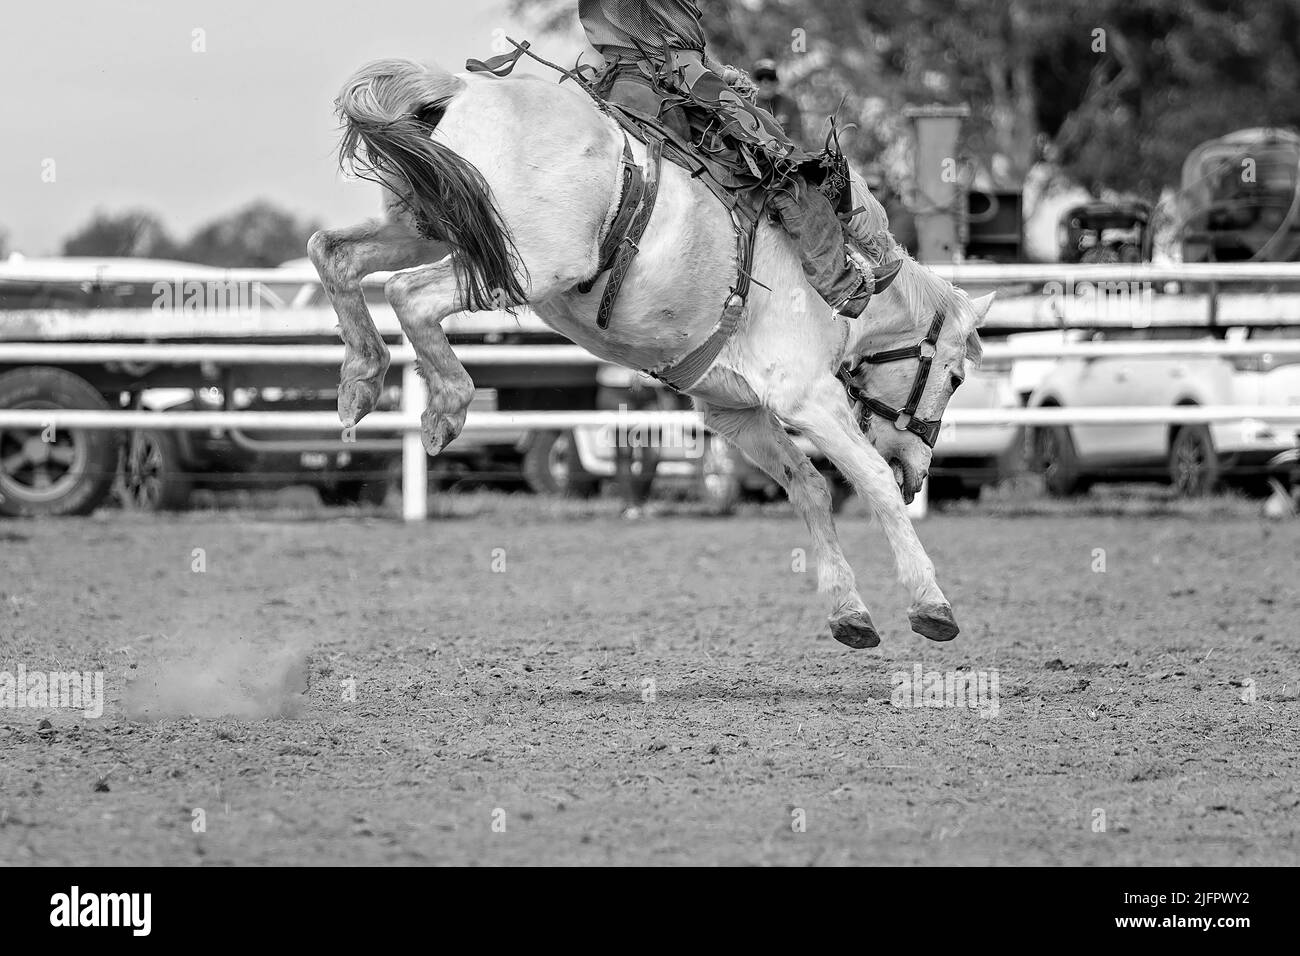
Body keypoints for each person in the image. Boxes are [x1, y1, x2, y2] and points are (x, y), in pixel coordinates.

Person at [577, 0, 895, 319]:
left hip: (617, 85)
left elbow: (663, 39)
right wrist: (715, 75)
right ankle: (841, 285)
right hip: (670, 81)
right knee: (785, 169)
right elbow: (674, 51)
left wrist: (720, 71)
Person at [752, 58, 803, 148]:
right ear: (753, 82)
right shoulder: (748, 104)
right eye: (760, 78)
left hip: (785, 155)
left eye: (770, 78)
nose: (765, 83)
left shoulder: (790, 104)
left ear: (777, 81)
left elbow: (797, 138)